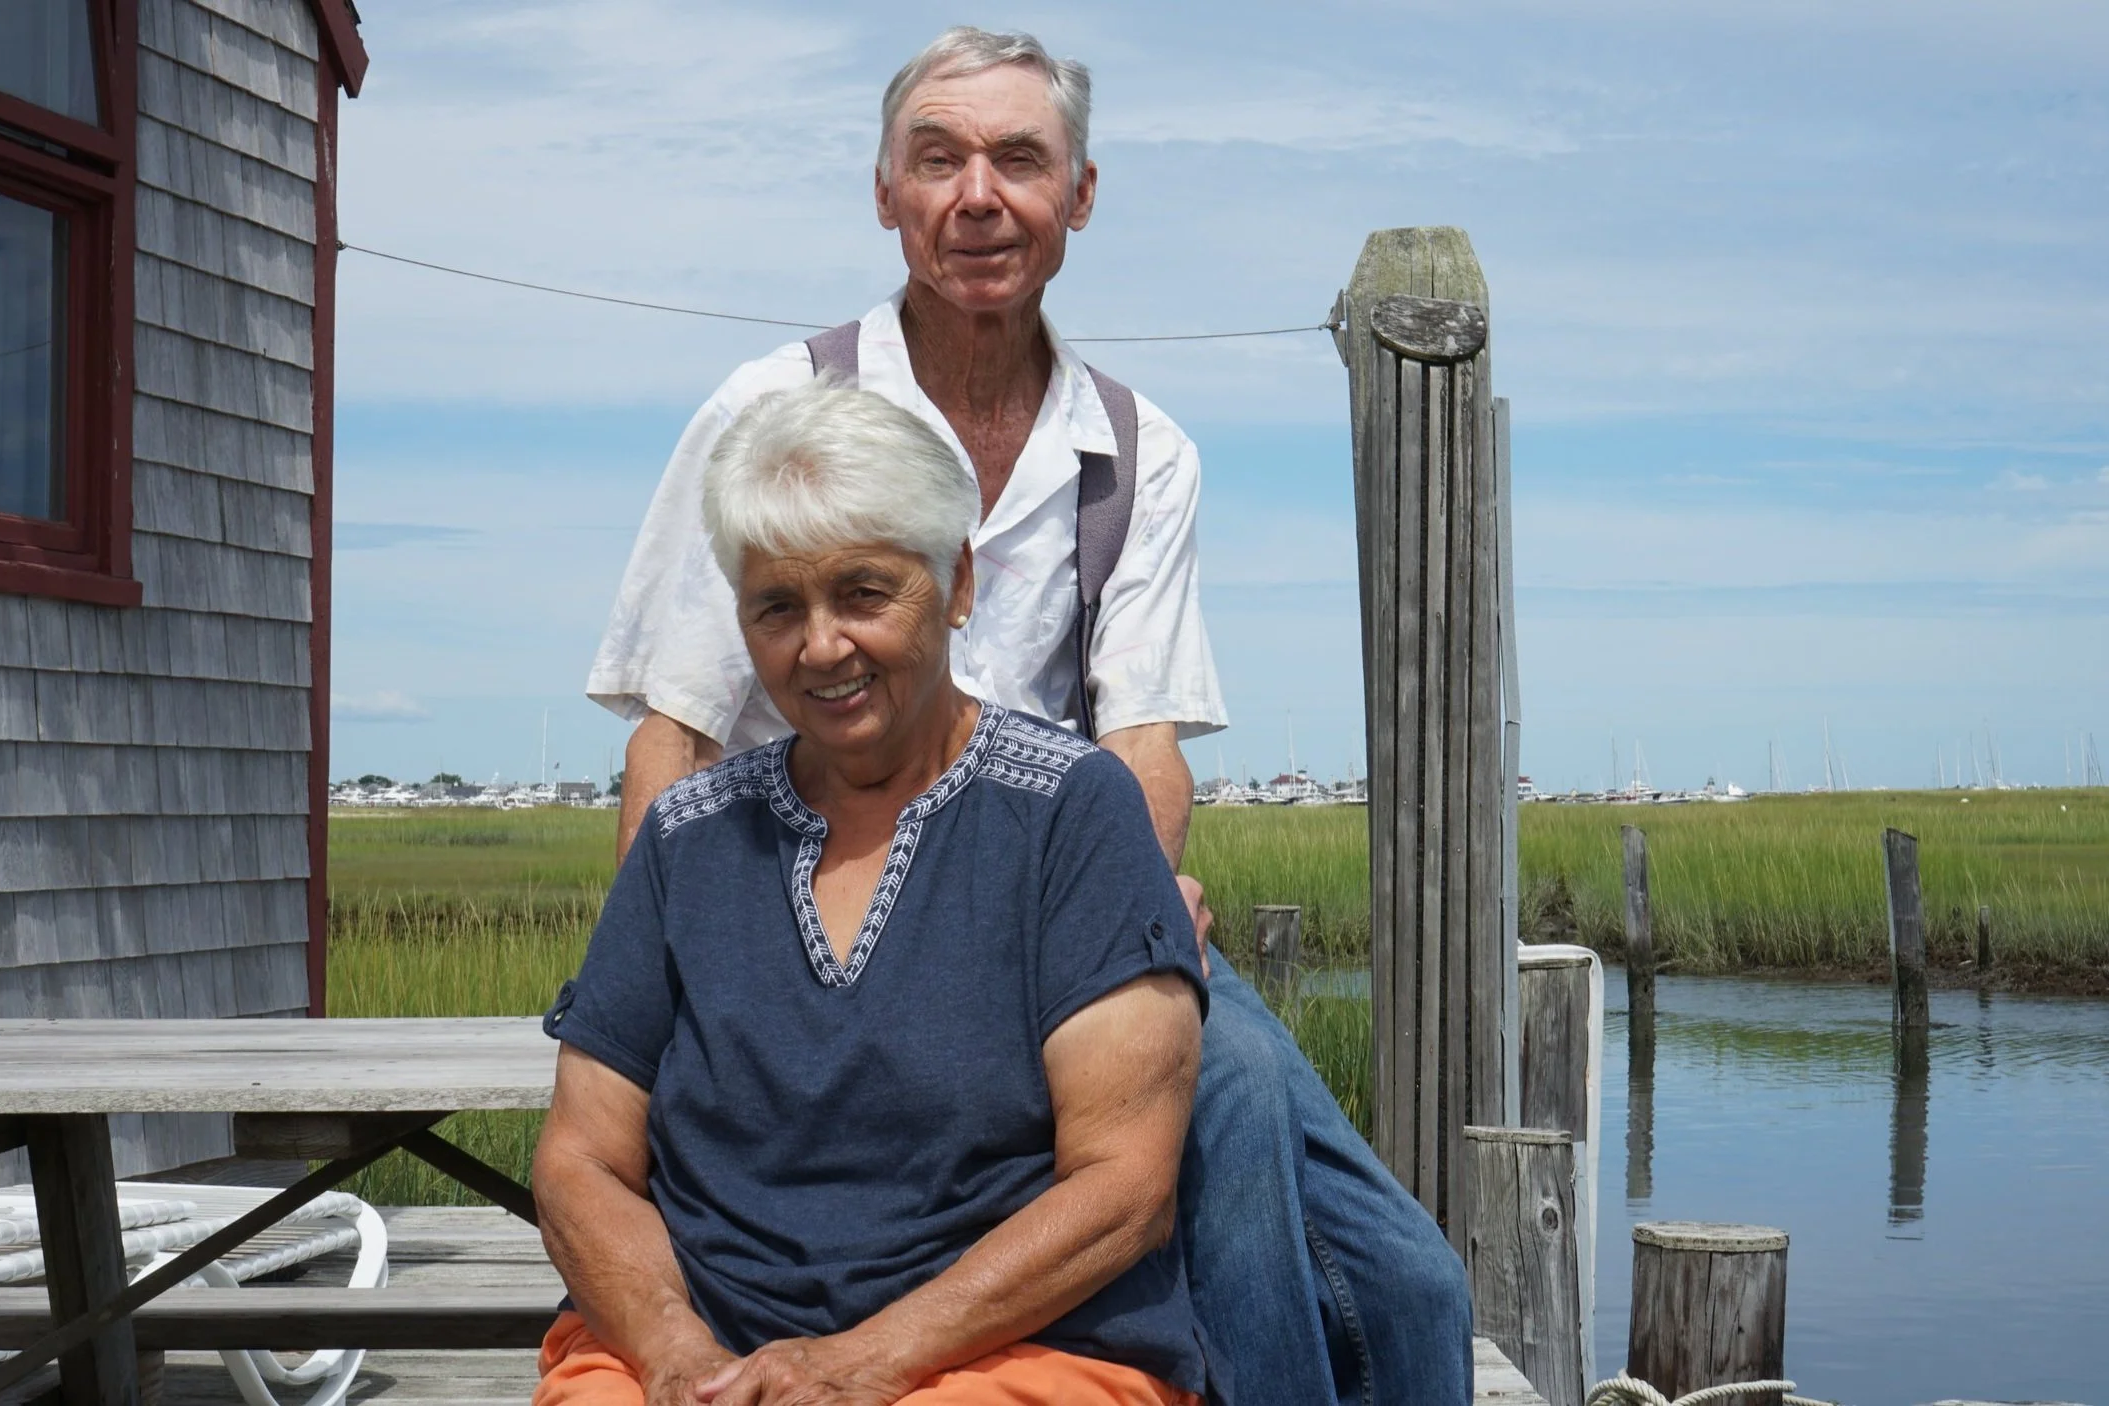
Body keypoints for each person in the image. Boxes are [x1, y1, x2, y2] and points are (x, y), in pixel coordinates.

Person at [586, 27, 1471, 1405]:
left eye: (1018, 159)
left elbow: (1142, 739)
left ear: (1082, 193)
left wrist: (1129, 913)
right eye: (937, 160)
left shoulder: (1137, 447)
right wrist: (694, 967)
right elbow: (678, 730)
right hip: (806, 911)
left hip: (1061, 903)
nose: (977, 196)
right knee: (1220, 1174)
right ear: (885, 191)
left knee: (1410, 1283)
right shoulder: (768, 408)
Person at [536, 383, 1210, 1406]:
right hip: (700, 1347)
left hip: (1009, 1347)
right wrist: (674, 1350)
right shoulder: (689, 835)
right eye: (776, 607)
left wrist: (863, 1362)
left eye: (863, 593)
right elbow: (583, 1156)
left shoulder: (1071, 810)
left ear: (956, 583)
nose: (819, 647)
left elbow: (1122, 1185)